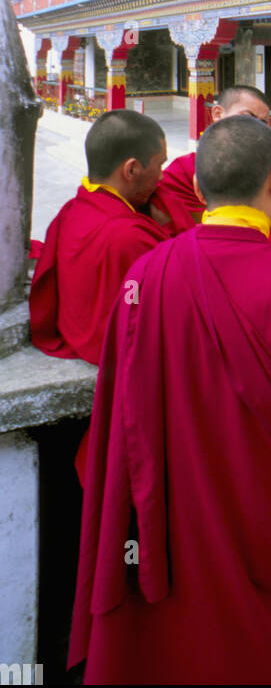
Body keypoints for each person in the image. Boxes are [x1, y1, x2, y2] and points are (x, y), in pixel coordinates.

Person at [69, 115, 271, 686]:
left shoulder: (146, 275)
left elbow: (126, 405)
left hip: (182, 510)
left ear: (199, 191)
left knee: (191, 641)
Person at [30, 110, 169, 481]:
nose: (163, 178)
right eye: (161, 165)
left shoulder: (73, 209)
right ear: (132, 169)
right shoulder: (129, 237)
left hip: (77, 342)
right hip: (124, 387)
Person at [150, 84, 271, 253]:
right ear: (217, 114)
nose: (256, 128)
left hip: (265, 259)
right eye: (247, 117)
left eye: (263, 123)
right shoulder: (186, 168)